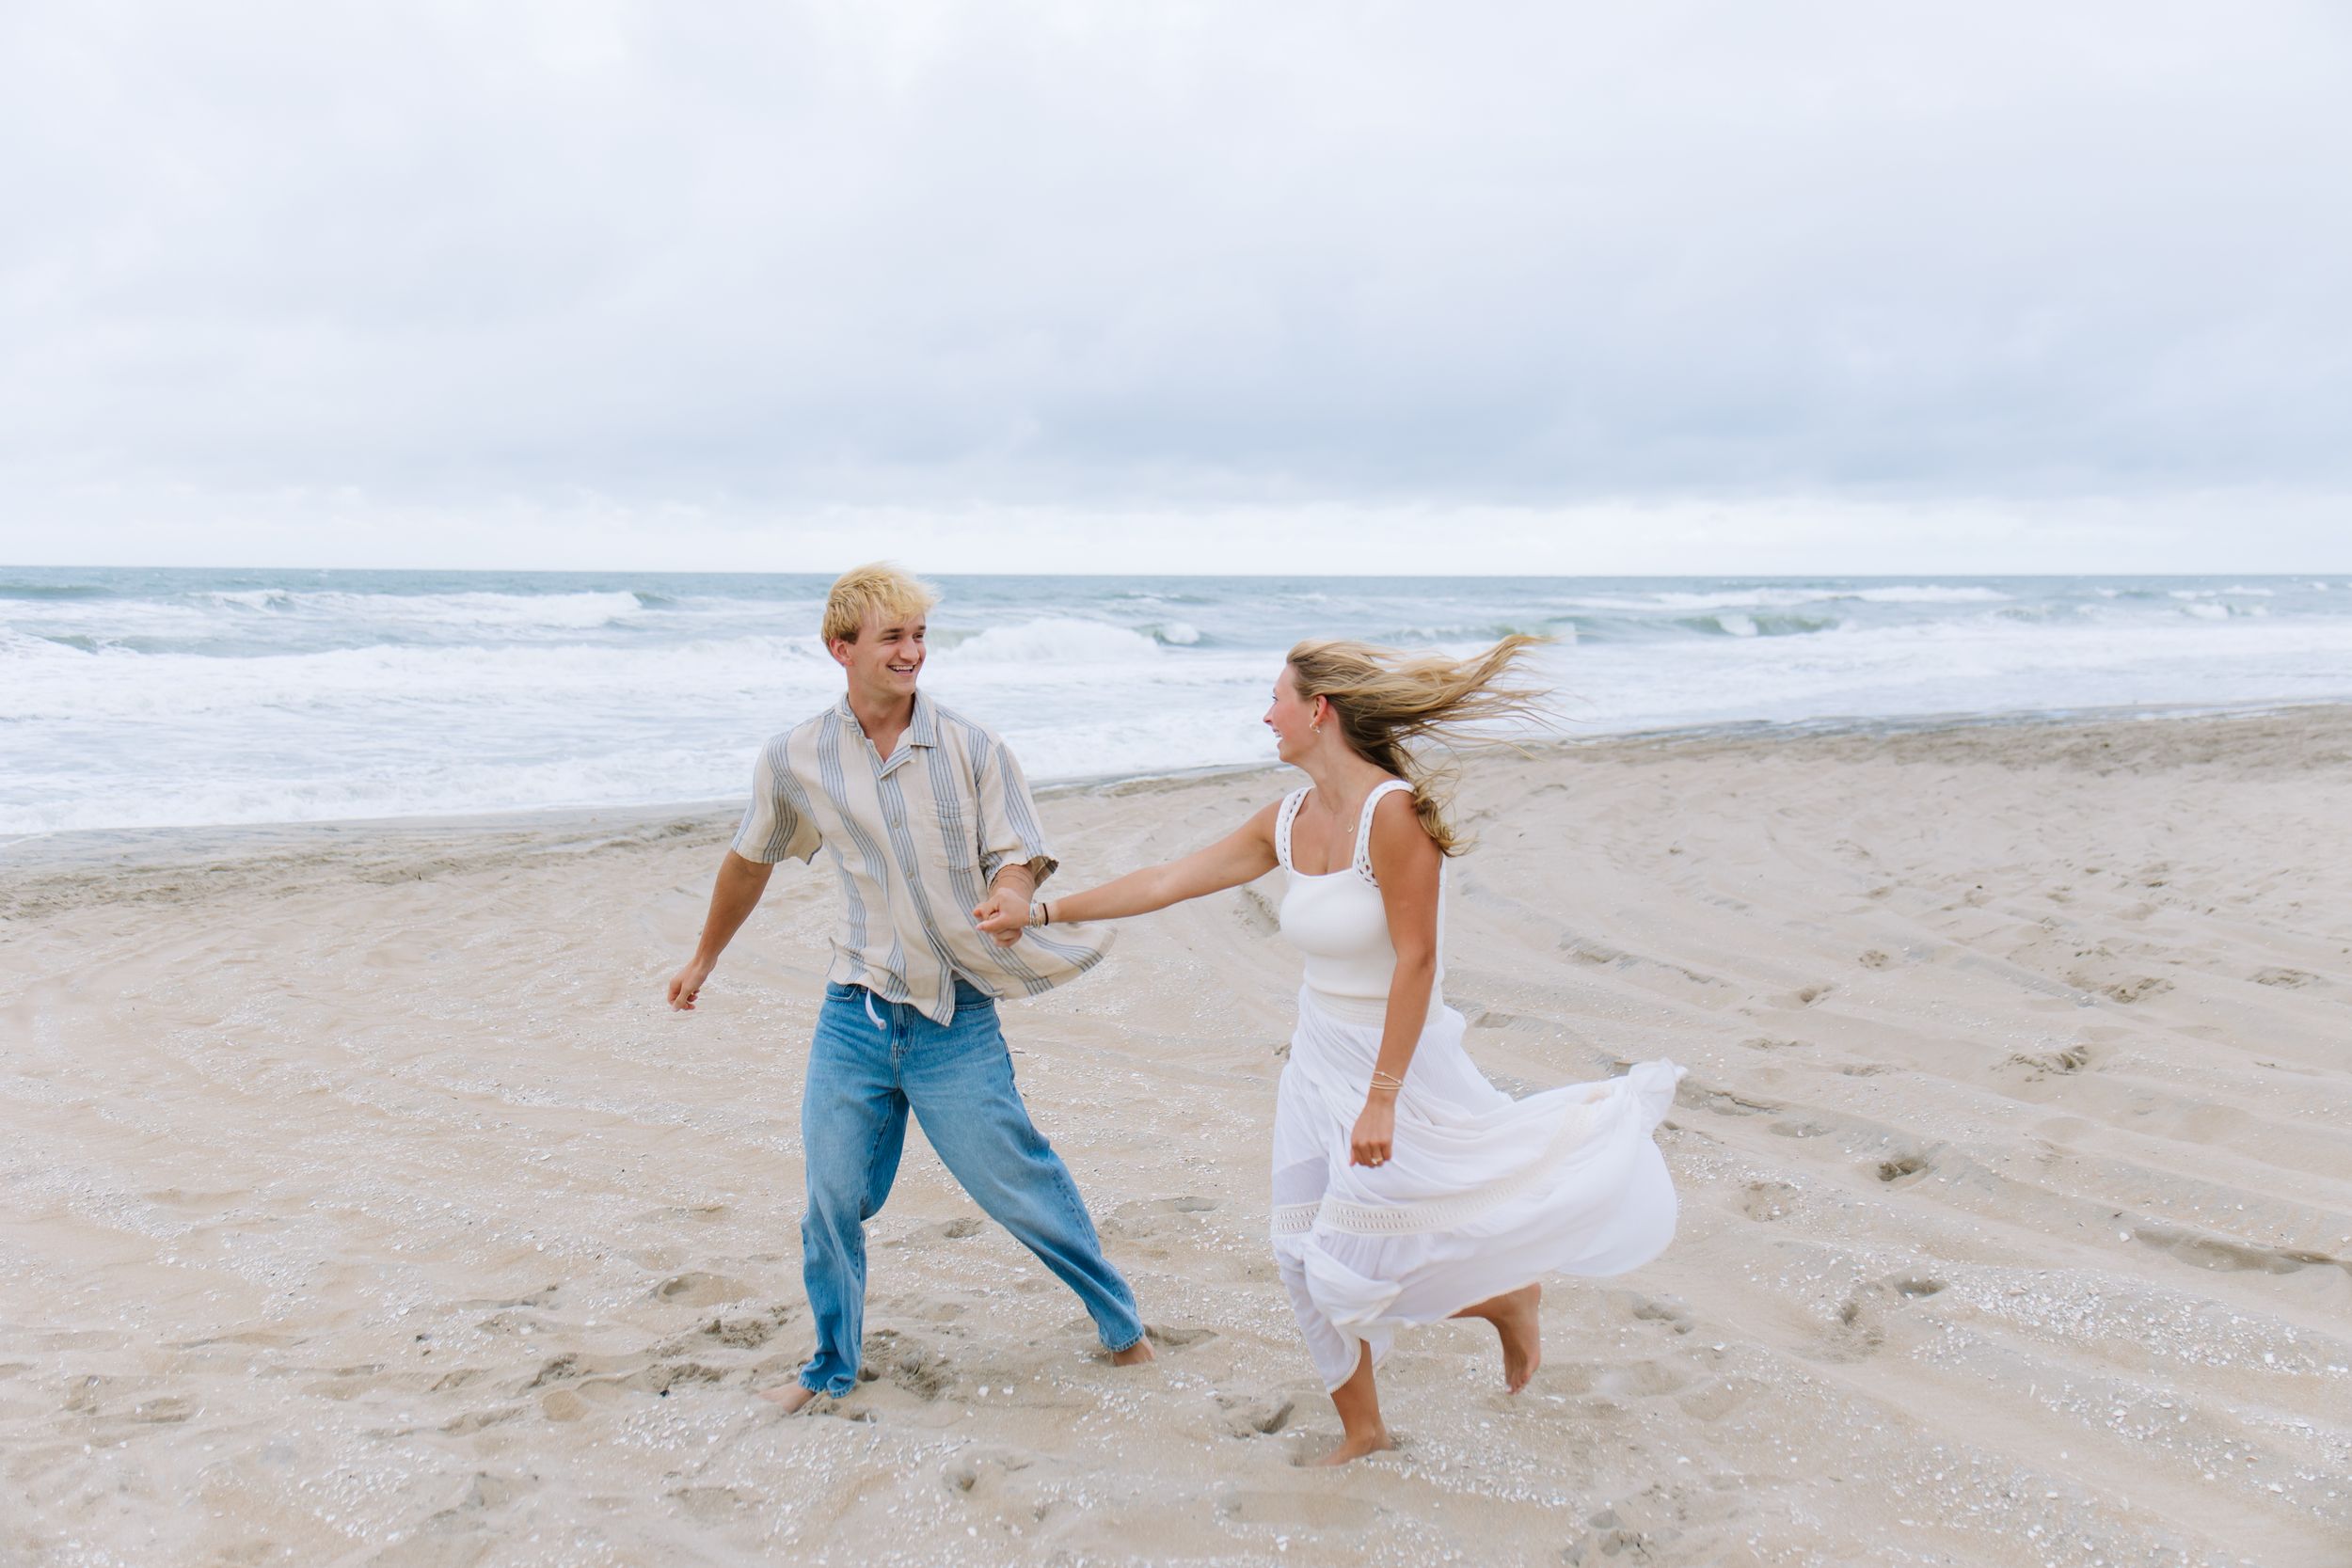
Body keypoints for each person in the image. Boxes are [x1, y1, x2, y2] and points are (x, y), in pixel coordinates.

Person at [981, 635, 1680, 1464]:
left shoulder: (1395, 815)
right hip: (1317, 1057)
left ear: (1319, 710)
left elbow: (1419, 960)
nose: (1265, 712)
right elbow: (1170, 877)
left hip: (1397, 1060)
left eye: (1276, 695)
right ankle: (1369, 1426)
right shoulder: (1287, 818)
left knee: (1362, 1252)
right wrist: (1046, 913)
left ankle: (1502, 1299)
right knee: (1298, 1252)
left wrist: (1383, 1092)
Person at [667, 562, 1152, 1413]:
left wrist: (1010, 894)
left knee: (1018, 1185)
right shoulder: (795, 756)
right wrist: (705, 957)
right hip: (854, 1009)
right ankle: (830, 1368)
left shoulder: (972, 745)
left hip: (954, 1018)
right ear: (840, 647)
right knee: (831, 1196)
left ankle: (1122, 1325)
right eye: (893, 637)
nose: (912, 652)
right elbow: (751, 858)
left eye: (919, 636)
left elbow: (1018, 849)